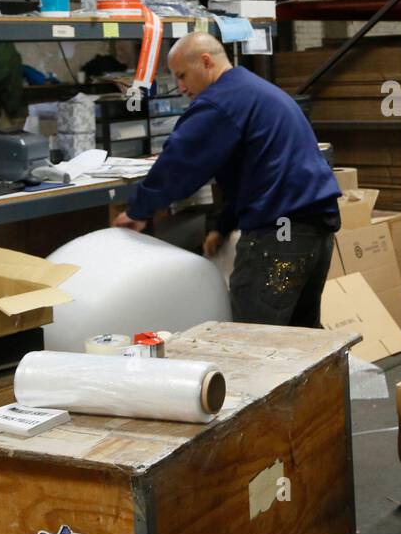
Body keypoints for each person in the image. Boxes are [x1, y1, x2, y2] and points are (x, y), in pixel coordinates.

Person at [112, 32, 341, 327]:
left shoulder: (221, 102)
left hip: (281, 238)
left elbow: (179, 163)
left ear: (206, 62)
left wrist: (137, 211)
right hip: (312, 234)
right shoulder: (252, 91)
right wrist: (223, 226)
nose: (180, 87)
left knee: (254, 336)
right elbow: (256, 175)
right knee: (301, 336)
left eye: (182, 76)